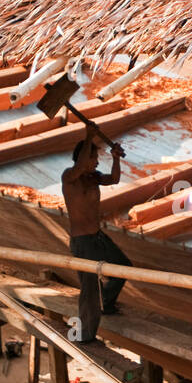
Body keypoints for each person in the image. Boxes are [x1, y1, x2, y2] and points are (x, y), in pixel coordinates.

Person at [61, 125, 130, 342]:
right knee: (89, 290)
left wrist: (116, 157)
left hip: (98, 237)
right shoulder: (69, 177)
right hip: (83, 242)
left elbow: (115, 179)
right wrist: (89, 136)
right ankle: (84, 335)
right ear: (83, 159)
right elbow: (80, 166)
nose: (97, 162)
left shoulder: (94, 177)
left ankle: (106, 304)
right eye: (94, 158)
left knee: (123, 267)